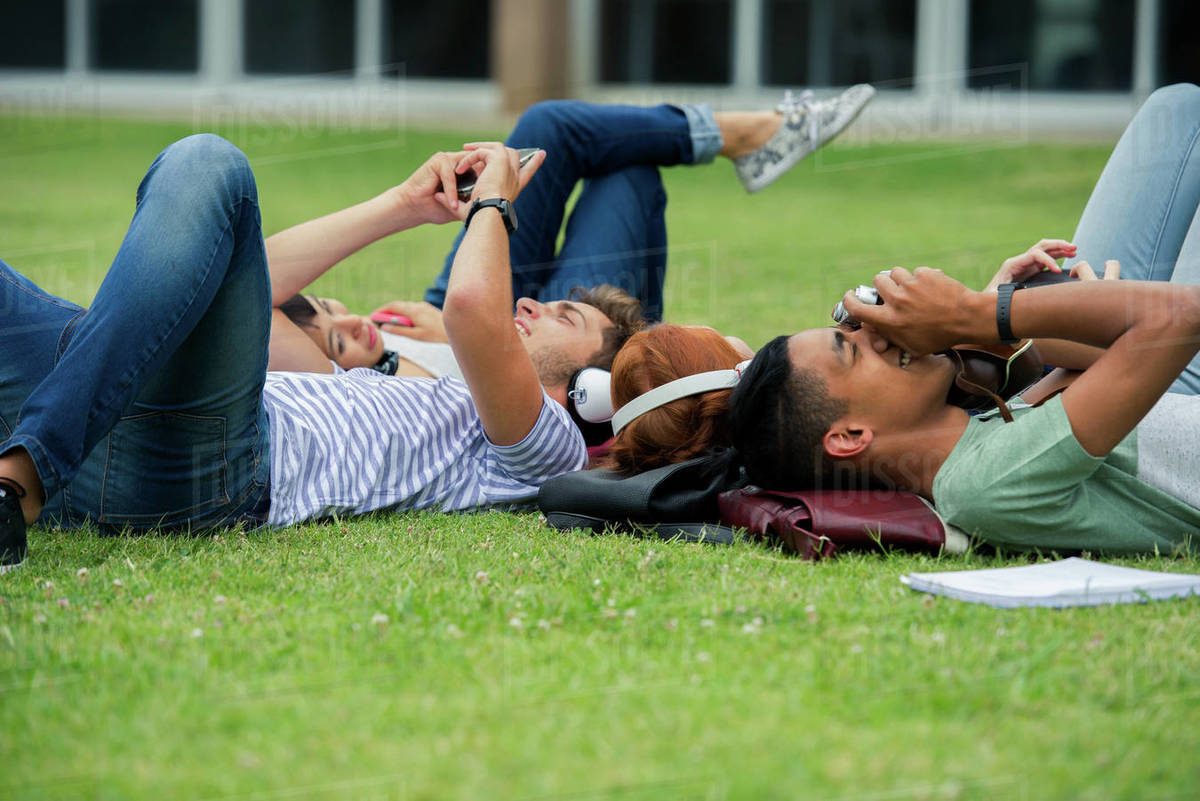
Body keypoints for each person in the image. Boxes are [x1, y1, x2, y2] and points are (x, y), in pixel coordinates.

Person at [0, 134, 633, 572]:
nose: (531, 305)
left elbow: (471, 309)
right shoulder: (408, 394)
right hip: (111, 418)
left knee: (208, 165)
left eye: (562, 316)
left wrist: (494, 203)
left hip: (212, 462)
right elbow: (250, 282)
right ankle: (30, 462)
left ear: (590, 391)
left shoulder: (549, 447)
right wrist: (405, 205)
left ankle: (21, 481)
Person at [727, 83, 1200, 554]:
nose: (874, 331)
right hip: (1180, 351)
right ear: (850, 437)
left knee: (1176, 108)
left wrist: (989, 328)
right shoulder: (984, 485)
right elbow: (1181, 318)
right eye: (851, 349)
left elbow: (1102, 355)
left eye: (856, 325)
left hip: (1166, 361)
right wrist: (978, 314)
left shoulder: (971, 436)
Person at [267, 87, 876, 375]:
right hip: (509, 356)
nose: (355, 321)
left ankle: (743, 135)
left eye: (331, 307)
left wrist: (403, 330)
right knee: (629, 174)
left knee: (547, 128)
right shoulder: (335, 395)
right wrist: (405, 354)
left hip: (454, 311)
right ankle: (751, 136)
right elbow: (252, 293)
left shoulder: (373, 333)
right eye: (338, 342)